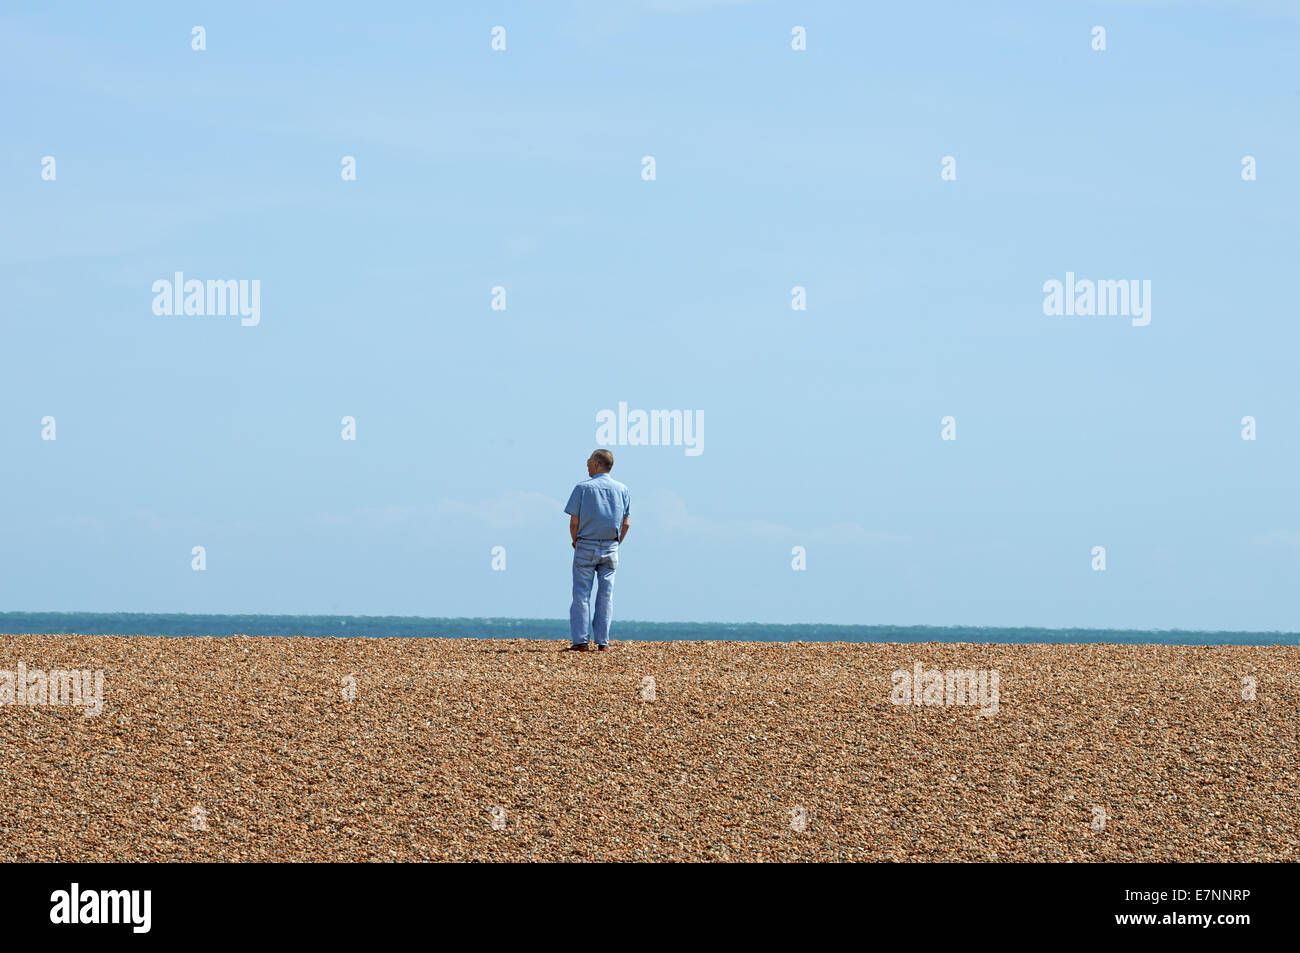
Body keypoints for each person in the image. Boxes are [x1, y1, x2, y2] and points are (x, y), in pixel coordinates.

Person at [563, 449, 630, 651]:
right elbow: (626, 523)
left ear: (597, 464)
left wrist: (575, 542)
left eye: (590, 460)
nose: (587, 462)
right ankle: (603, 643)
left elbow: (574, 523)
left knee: (581, 594)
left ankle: (581, 642)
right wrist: (616, 543)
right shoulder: (622, 489)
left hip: (586, 544)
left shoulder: (582, 488)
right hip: (611, 545)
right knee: (606, 595)